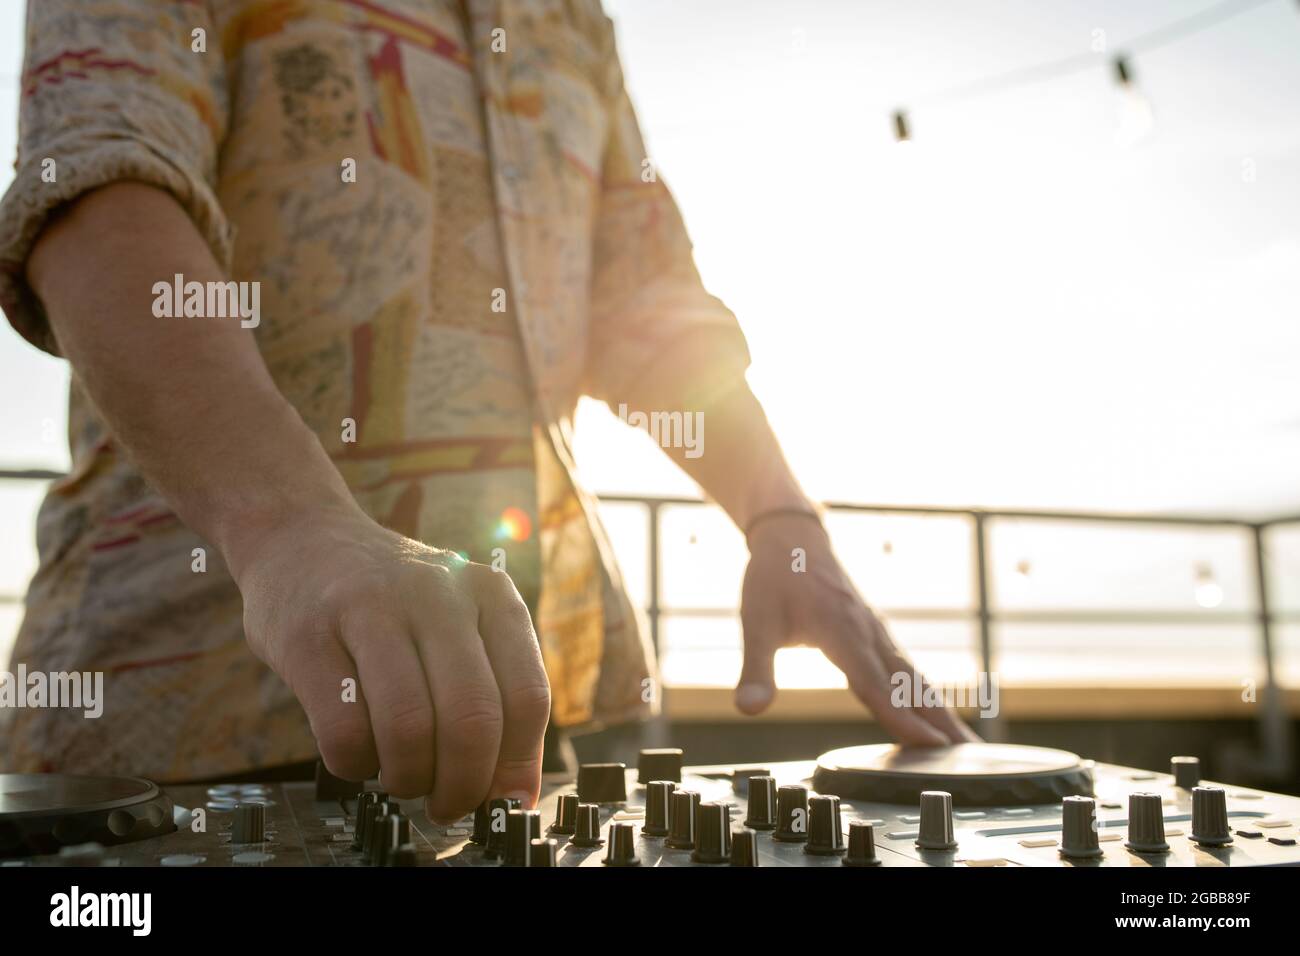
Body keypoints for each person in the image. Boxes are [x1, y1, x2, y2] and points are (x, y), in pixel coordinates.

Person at [0, 0, 974, 824]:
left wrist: (781, 518)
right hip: (187, 730)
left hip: (549, 703)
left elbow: (642, 295)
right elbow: (96, 190)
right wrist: (289, 526)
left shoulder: (570, 17)